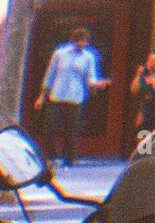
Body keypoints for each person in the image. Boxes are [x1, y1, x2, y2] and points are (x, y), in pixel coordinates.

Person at [35, 27, 109, 167]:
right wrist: (42, 96)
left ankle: (69, 159)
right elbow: (50, 74)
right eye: (80, 41)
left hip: (75, 97)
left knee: (71, 129)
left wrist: (98, 84)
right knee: (50, 127)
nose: (82, 44)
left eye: (85, 42)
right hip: (57, 95)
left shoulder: (88, 57)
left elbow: (90, 78)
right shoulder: (60, 54)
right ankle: (52, 156)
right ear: (74, 41)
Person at [131, 52, 155, 134]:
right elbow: (134, 89)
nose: (150, 63)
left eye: (153, 61)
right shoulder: (142, 78)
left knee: (153, 140)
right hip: (143, 114)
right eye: (149, 60)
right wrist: (138, 74)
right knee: (143, 140)